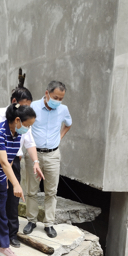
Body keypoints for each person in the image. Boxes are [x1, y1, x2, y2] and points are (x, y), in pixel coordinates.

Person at [0, 87, 44, 248]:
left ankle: (11, 235)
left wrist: (36, 162)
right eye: (25, 106)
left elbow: (28, 144)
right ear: (14, 103)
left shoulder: (23, 124)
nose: (27, 109)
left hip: (12, 162)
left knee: (11, 200)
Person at [23, 81, 72, 238]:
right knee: (32, 190)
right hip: (34, 154)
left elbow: (68, 124)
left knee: (51, 191)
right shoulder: (34, 107)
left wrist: (59, 138)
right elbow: (25, 127)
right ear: (47, 93)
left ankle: (49, 223)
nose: (58, 101)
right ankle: (31, 220)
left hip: (52, 155)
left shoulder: (63, 110)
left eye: (61, 98)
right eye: (55, 97)